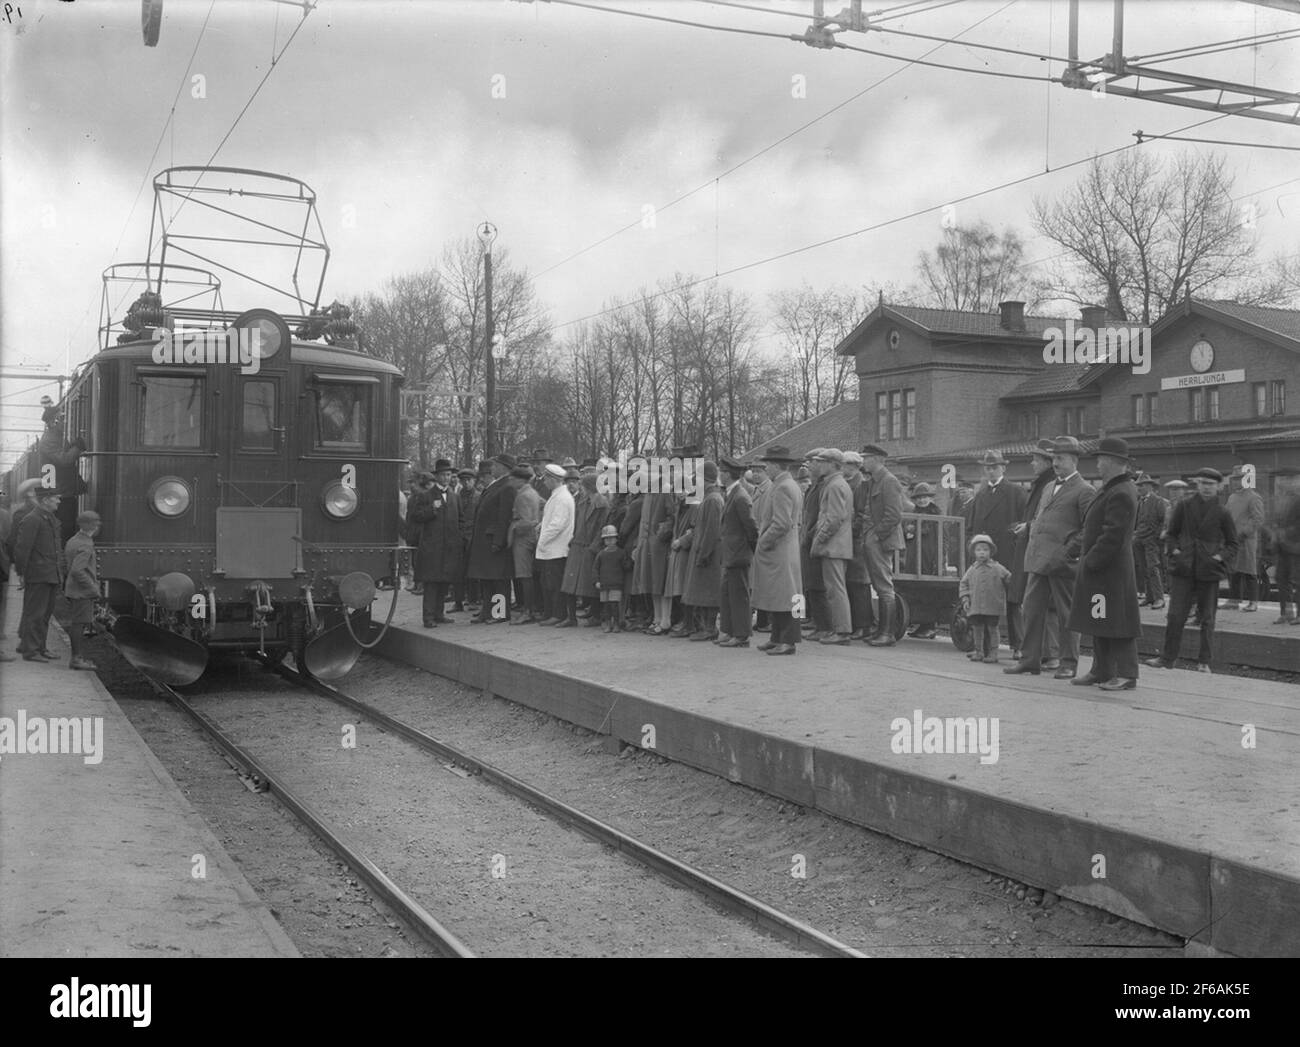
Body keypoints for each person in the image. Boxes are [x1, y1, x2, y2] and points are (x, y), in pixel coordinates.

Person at [1004, 436, 1095, 678]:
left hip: (1062, 564)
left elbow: (1089, 529)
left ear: (1074, 461)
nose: (1055, 463)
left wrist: (1067, 553)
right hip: (1037, 561)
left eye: (1060, 458)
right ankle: (1029, 660)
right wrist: (1030, 528)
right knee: (1031, 611)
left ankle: (1068, 663)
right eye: (1054, 458)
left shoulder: (1085, 491)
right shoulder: (1047, 487)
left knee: (1067, 614)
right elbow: (1044, 518)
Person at [1145, 467, 1238, 674]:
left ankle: (1204, 661)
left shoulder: (1222, 512)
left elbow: (1233, 544)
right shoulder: (1184, 506)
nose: (1206, 488)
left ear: (1219, 486)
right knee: (1175, 615)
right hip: (1183, 569)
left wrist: (1218, 557)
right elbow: (1171, 534)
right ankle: (1167, 658)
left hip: (1209, 570)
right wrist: (1176, 551)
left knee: (1207, 618)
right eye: (1203, 483)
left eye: (1211, 484)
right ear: (1197, 484)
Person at [1068, 438, 1142, 690]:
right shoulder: (1112, 488)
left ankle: (1127, 674)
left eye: (1100, 459)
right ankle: (1101, 670)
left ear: (1112, 462)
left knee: (1119, 622)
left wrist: (1090, 560)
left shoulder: (1121, 492)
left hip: (1111, 571)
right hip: (1102, 571)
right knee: (1100, 620)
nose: (1097, 464)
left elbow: (1114, 534)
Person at [965, 451, 1028, 656]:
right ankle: (983, 648)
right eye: (988, 468)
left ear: (1004, 468)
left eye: (994, 467)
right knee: (982, 600)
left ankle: (1018, 646)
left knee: (1012, 600)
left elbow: (1025, 523)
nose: (991, 471)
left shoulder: (1015, 492)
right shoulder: (980, 495)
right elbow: (972, 526)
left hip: (1008, 554)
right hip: (984, 556)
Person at [1008, 442, 1064, 670]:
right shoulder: (1043, 483)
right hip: (1034, 548)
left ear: (1047, 462)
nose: (1032, 463)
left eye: (1036, 460)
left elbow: (1048, 518)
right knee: (1035, 604)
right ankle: (1042, 653)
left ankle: (1051, 654)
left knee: (1047, 604)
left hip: (1043, 551)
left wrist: (1028, 527)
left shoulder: (1048, 484)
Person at [752, 446, 804, 656]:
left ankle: (788, 641)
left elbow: (781, 523)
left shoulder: (782, 487)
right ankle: (777, 637)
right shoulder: (789, 484)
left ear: (774, 465)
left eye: (767, 465)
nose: (766, 469)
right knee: (783, 595)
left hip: (778, 549)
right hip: (786, 548)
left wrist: (763, 542)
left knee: (785, 596)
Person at [408, 461, 464, 628]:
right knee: (431, 583)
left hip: (450, 547)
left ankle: (439, 614)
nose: (446, 478)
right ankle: (428, 617)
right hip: (432, 548)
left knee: (444, 582)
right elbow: (416, 516)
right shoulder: (426, 495)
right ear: (437, 476)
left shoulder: (455, 496)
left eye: (448, 475)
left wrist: (459, 539)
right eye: (442, 475)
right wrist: (432, 510)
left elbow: (460, 519)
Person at [466, 454, 520, 624]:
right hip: (485, 541)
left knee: (498, 580)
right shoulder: (496, 485)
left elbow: (504, 517)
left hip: (494, 541)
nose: (492, 469)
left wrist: (499, 541)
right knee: (487, 578)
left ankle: (500, 613)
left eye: (495, 466)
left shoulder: (508, 486)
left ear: (504, 467)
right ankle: (487, 611)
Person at [860, 444, 904, 647]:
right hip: (874, 539)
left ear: (878, 460)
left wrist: (877, 535)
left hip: (881, 541)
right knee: (879, 586)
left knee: (884, 587)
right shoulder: (875, 481)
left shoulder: (889, 481)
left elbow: (894, 514)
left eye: (867, 458)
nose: (863, 461)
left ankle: (887, 633)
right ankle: (882, 631)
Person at [14, 489, 64, 662]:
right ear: (45, 500)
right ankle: (30, 651)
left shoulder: (49, 518)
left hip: (50, 574)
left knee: (44, 615)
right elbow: (22, 549)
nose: (59, 501)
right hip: (38, 574)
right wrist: (21, 572)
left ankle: (40, 647)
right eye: (56, 498)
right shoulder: (32, 520)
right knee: (34, 614)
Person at [810, 448, 854, 645]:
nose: (818, 465)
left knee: (835, 589)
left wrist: (820, 538)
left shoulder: (835, 485)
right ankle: (839, 629)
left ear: (832, 464)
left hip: (834, 546)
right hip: (836, 545)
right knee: (834, 588)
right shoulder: (836, 483)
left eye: (822, 461)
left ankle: (842, 631)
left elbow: (835, 518)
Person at [716, 456, 757, 648]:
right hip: (732, 553)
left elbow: (750, 526)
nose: (719, 475)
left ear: (726, 475)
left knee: (739, 594)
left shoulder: (740, 496)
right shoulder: (733, 493)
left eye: (721, 472)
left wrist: (748, 549)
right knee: (728, 593)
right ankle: (730, 630)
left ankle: (741, 635)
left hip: (738, 554)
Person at [684, 462, 724, 641]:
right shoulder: (708, 498)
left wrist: (704, 553)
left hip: (709, 554)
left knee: (709, 592)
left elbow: (712, 531)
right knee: (703, 591)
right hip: (704, 551)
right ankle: (706, 627)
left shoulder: (713, 500)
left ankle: (710, 628)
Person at [959, 534, 1010, 664]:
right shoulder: (972, 569)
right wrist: (965, 599)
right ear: (974, 552)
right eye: (979, 550)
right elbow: (963, 583)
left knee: (993, 628)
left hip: (993, 605)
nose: (982, 553)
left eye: (985, 550)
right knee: (977, 628)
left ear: (991, 552)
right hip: (975, 605)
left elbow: (1010, 580)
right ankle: (979, 651)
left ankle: (993, 653)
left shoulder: (998, 568)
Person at [61, 510, 102, 670]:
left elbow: (67, 566)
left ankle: (77, 657)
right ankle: (76, 659)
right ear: (88, 525)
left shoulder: (73, 540)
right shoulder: (85, 544)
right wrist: (92, 589)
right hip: (82, 591)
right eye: (95, 523)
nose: (97, 526)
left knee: (79, 623)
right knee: (79, 624)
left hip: (74, 589)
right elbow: (78, 571)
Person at [534, 464, 575, 626]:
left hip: (556, 549)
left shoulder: (562, 498)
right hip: (552, 548)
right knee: (548, 583)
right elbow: (552, 518)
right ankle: (551, 612)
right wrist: (541, 525)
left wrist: (542, 540)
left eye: (546, 479)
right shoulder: (557, 495)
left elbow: (557, 524)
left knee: (555, 584)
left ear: (553, 480)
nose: (544, 482)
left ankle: (559, 614)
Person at [903, 481, 943, 638]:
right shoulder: (913, 513)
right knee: (914, 586)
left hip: (929, 553)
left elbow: (938, 534)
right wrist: (909, 531)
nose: (921, 500)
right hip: (914, 553)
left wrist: (940, 558)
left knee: (928, 587)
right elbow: (907, 531)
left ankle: (929, 625)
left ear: (930, 498)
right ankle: (921, 624)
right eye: (918, 498)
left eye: (924, 497)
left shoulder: (935, 512)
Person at [1222, 467, 1264, 613]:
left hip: (1246, 541)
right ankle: (1234, 601)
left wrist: (1242, 533)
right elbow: (1226, 517)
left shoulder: (1253, 497)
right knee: (1233, 572)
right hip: (1232, 541)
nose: (1236, 482)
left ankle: (1253, 602)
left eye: (1239, 478)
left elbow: (1258, 519)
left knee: (1249, 572)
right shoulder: (1232, 498)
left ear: (1246, 480)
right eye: (1234, 479)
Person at [505, 461, 543, 623]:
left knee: (524, 576)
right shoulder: (533, 493)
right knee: (530, 576)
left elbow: (527, 522)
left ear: (520, 480)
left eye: (512, 479)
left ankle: (527, 611)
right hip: (532, 539)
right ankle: (533, 609)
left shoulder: (522, 496)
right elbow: (544, 505)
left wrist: (513, 527)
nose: (510, 482)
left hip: (523, 540)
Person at [842, 452, 874, 641]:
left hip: (857, 541)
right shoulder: (850, 483)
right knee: (852, 583)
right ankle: (857, 624)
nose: (842, 468)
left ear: (853, 466)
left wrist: (852, 531)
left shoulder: (860, 485)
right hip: (851, 540)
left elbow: (861, 514)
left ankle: (864, 625)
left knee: (860, 583)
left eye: (844, 465)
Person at [800, 450, 829, 640]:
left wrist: (810, 536)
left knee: (818, 586)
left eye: (812, 462)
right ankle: (817, 624)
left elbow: (822, 517)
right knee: (810, 585)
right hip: (807, 541)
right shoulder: (815, 486)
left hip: (814, 542)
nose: (809, 466)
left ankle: (825, 626)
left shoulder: (823, 487)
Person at [1268, 466, 1300, 624]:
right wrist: (1275, 533)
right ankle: (1286, 613)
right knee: (1281, 579)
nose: (1286, 482)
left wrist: (1286, 532)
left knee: (1298, 581)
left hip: (1297, 547)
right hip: (1283, 548)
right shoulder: (1280, 499)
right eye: (1284, 479)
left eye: (1290, 479)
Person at [1133, 473, 1167, 610]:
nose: (1139, 488)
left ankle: (1159, 598)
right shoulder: (1139, 502)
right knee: (1143, 569)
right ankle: (1149, 597)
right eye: (1138, 486)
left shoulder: (1158, 501)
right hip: (1138, 541)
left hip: (1151, 541)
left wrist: (1156, 536)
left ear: (1149, 486)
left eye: (1141, 485)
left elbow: (1163, 521)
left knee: (1153, 568)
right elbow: (1136, 522)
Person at [593, 524, 625, 633]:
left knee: (614, 605)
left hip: (616, 584)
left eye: (612, 538)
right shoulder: (601, 554)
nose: (609, 541)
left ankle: (616, 624)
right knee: (606, 606)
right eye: (607, 539)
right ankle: (608, 624)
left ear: (616, 539)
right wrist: (597, 580)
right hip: (604, 584)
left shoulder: (621, 553)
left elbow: (626, 565)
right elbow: (596, 568)